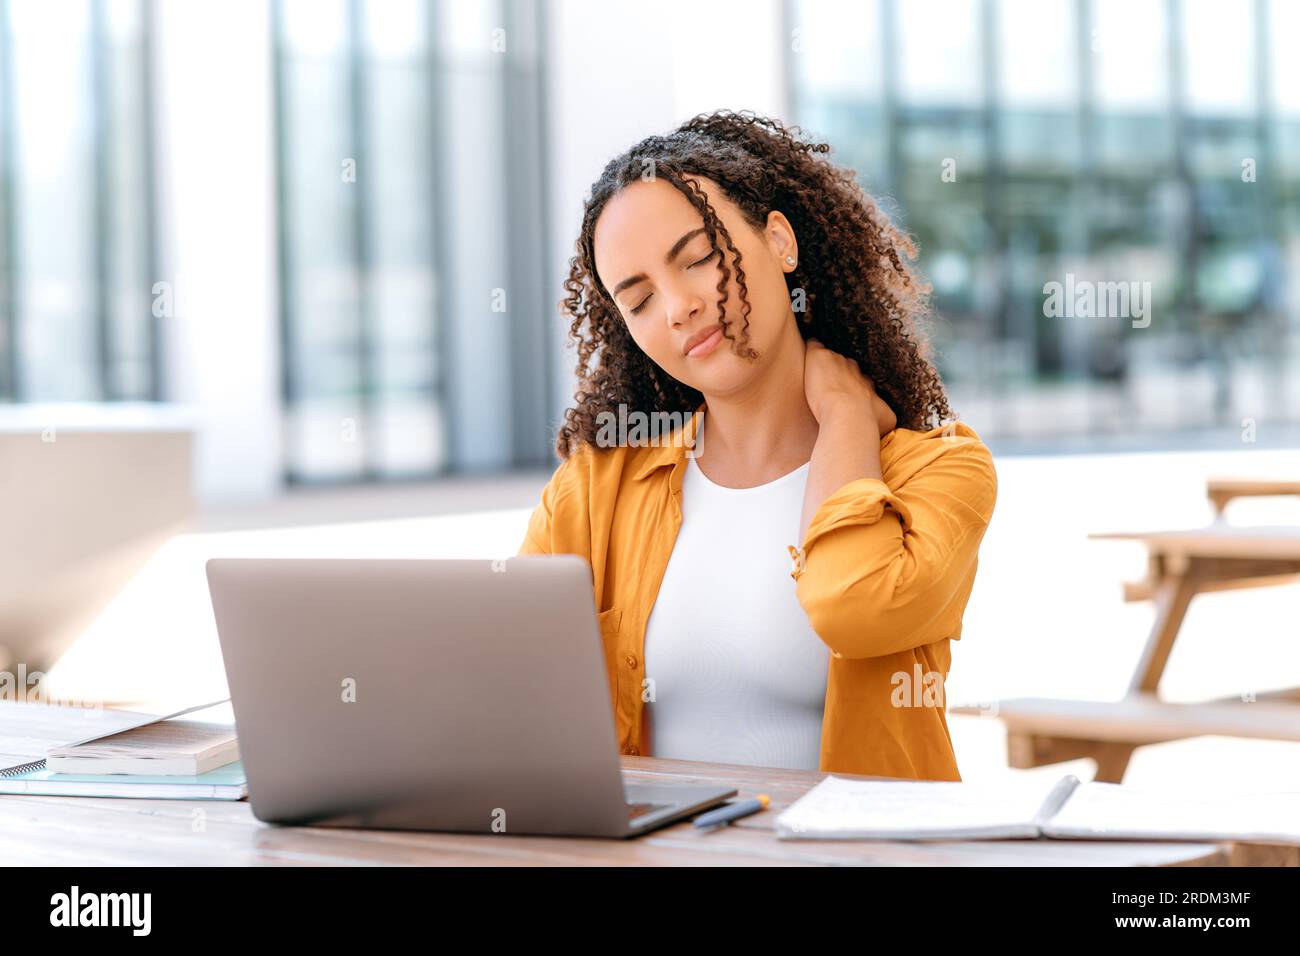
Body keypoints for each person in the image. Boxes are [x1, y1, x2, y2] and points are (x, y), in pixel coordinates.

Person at [518, 110, 996, 780]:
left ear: (779, 241)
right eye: (639, 299)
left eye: (697, 259)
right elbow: (514, 690)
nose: (678, 306)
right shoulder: (597, 487)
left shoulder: (940, 470)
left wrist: (846, 422)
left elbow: (852, 606)